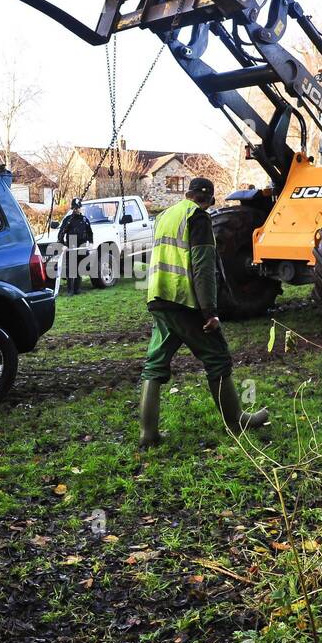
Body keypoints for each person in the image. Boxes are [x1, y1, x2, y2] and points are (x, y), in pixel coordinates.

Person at [139, 177, 267, 446]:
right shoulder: (198, 218)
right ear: (207, 199)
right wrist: (210, 311)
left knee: (155, 363)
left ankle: (147, 433)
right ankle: (237, 422)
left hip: (159, 297)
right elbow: (203, 267)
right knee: (218, 357)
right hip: (184, 300)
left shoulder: (165, 216)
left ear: (188, 193)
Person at [57, 197, 93, 296]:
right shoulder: (68, 220)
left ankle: (77, 289)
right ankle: (70, 290)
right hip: (71, 245)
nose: (77, 210)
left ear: (81, 208)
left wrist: (90, 243)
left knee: (80, 268)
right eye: (75, 208)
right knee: (71, 269)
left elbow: (90, 233)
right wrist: (63, 245)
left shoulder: (85, 220)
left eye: (78, 208)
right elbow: (61, 234)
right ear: (73, 209)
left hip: (81, 246)